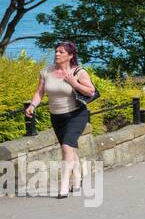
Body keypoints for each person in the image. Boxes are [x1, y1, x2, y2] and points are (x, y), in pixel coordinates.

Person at [24, 42, 96, 198]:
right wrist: (32, 105)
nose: (57, 54)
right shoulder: (46, 72)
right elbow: (39, 92)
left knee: (66, 146)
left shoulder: (78, 72)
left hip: (76, 114)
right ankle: (77, 176)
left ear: (70, 56)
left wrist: (73, 83)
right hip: (56, 117)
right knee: (69, 148)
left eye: (61, 52)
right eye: (56, 51)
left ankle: (64, 185)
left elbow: (90, 91)